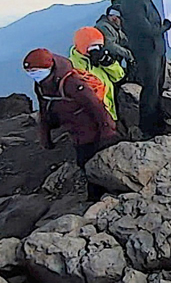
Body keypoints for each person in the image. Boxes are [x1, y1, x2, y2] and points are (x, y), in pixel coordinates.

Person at [24, 49, 118, 197]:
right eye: (29, 71)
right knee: (85, 161)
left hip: (89, 128)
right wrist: (45, 137)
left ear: (48, 67)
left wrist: (107, 129)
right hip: (73, 128)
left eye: (35, 70)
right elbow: (43, 110)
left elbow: (95, 105)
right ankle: (98, 195)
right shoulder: (41, 85)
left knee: (91, 162)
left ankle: (100, 196)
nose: (33, 74)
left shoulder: (72, 82)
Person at [115, 0, 170, 137]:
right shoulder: (133, 4)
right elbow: (144, 30)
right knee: (150, 89)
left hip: (156, 50)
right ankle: (148, 126)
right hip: (145, 52)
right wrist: (164, 27)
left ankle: (158, 119)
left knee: (158, 85)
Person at [69, 27, 126, 121]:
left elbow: (119, 76)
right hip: (93, 119)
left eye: (100, 46)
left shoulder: (100, 61)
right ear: (82, 47)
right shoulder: (74, 67)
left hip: (110, 116)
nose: (97, 50)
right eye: (93, 47)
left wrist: (108, 63)